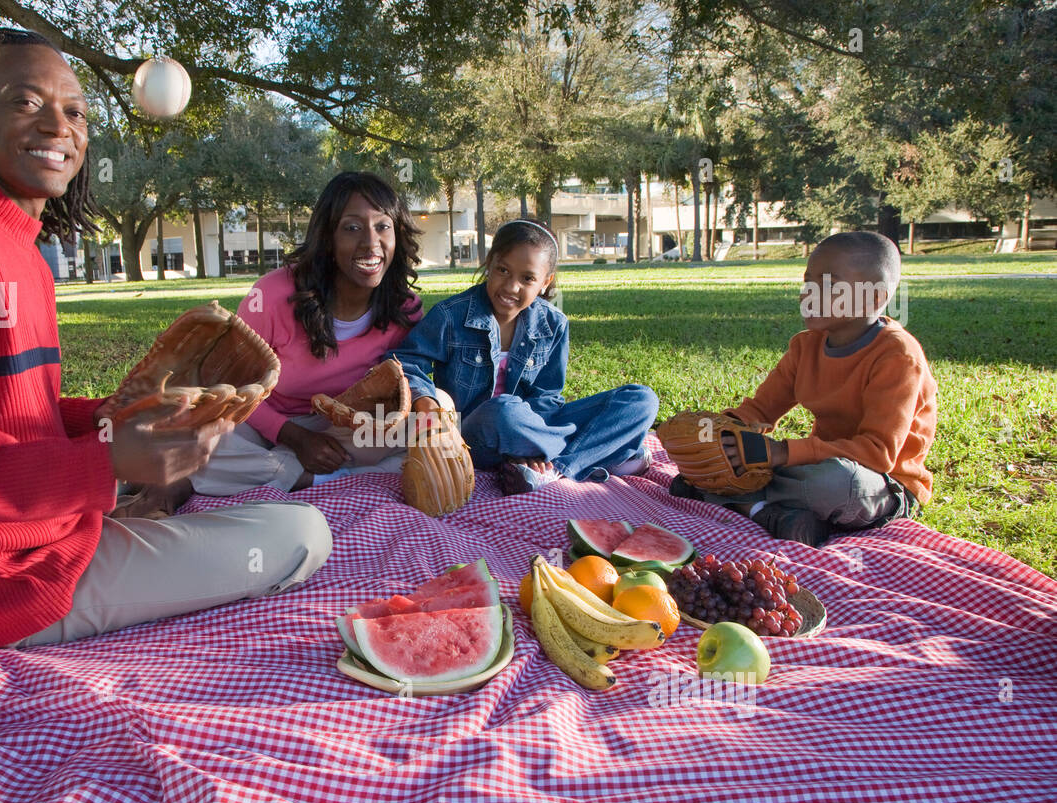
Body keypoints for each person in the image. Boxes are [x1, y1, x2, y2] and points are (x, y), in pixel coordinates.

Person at [0, 29, 331, 650]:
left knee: (270, 505)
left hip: (52, 539)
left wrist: (109, 422)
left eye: (75, 111)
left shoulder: (9, 239)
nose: (57, 127)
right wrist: (105, 460)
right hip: (0, 587)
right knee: (302, 535)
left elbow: (7, 416)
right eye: (25, 102)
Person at [668, 231, 938, 547]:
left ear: (874, 297)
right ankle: (766, 512)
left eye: (829, 285)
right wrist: (718, 434)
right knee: (734, 464)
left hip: (881, 485)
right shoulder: (805, 347)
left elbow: (878, 454)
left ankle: (736, 500)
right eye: (808, 282)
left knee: (835, 483)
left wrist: (780, 453)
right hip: (814, 464)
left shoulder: (898, 357)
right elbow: (759, 411)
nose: (809, 294)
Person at [184, 171, 425, 497]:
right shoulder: (270, 295)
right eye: (352, 228)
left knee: (426, 426)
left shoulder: (405, 308)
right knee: (199, 440)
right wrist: (295, 439)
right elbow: (232, 385)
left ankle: (277, 472)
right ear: (327, 238)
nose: (371, 243)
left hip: (344, 430)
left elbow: (408, 385)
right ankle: (309, 478)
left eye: (383, 226)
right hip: (260, 421)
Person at [386, 219, 658, 494]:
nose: (511, 287)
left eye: (527, 278)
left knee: (642, 400)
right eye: (503, 270)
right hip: (474, 435)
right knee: (504, 410)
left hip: (531, 429)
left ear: (545, 282)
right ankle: (608, 452)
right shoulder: (451, 315)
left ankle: (558, 469)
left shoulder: (554, 324)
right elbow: (405, 362)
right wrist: (427, 401)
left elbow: (547, 397)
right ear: (489, 263)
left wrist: (529, 442)